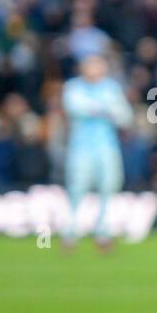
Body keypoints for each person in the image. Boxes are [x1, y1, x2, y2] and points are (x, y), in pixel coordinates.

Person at [61, 50, 131, 250]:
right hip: (80, 147)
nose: (94, 69)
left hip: (107, 147)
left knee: (109, 187)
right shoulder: (73, 87)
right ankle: (70, 232)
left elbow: (124, 116)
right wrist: (106, 109)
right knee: (76, 188)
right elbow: (76, 107)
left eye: (98, 65)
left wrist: (104, 110)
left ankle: (103, 233)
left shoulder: (111, 87)